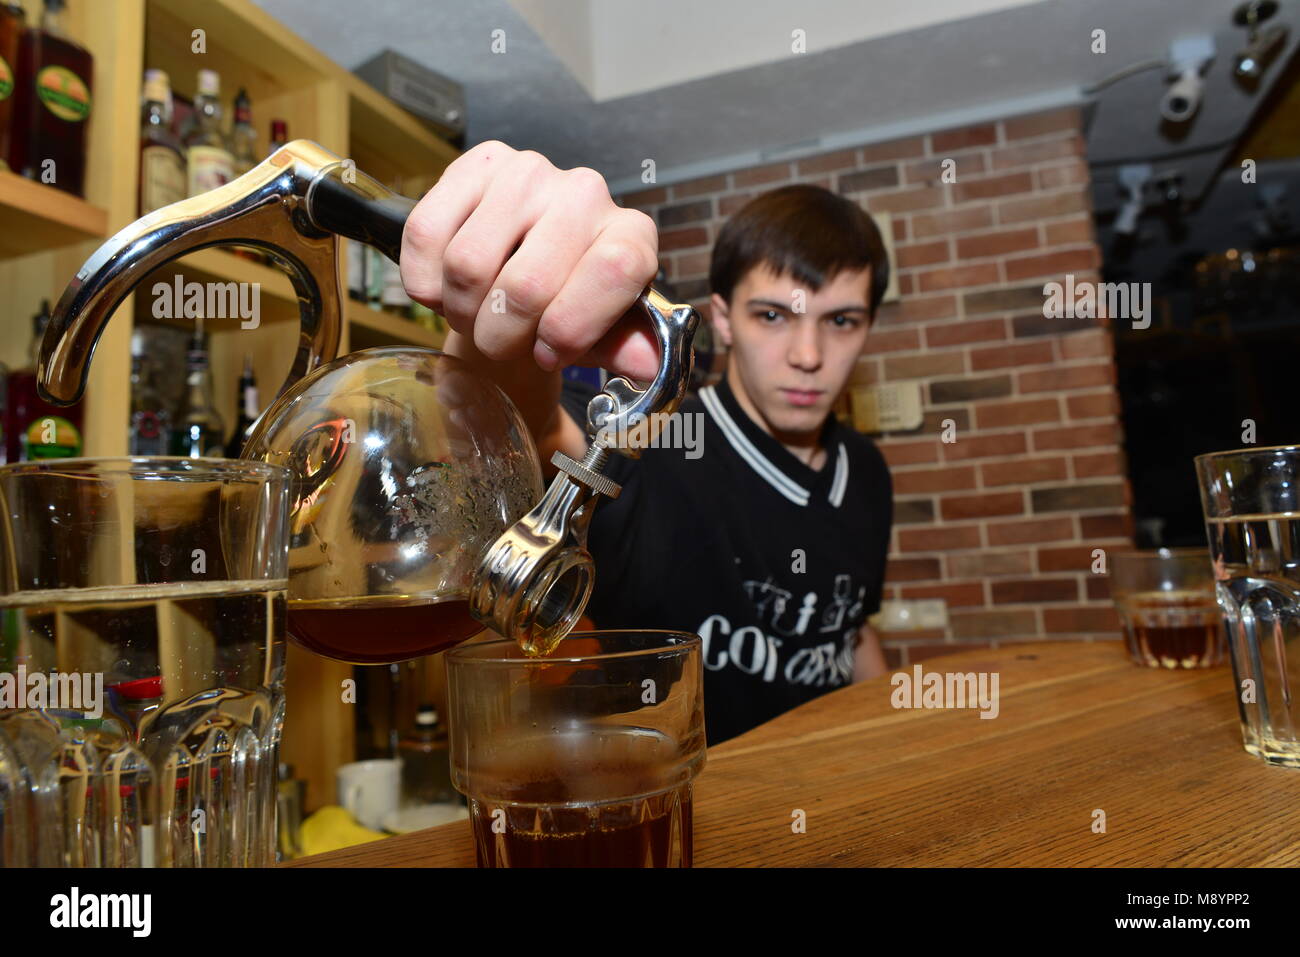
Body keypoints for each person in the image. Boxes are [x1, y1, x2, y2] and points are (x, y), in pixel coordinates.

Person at [401, 141, 893, 745]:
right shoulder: (654, 434)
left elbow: (850, 635)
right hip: (692, 815)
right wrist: (513, 289)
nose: (808, 356)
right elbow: (524, 434)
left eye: (840, 321)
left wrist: (897, 742)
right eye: (772, 316)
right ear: (722, 317)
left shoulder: (866, 470)